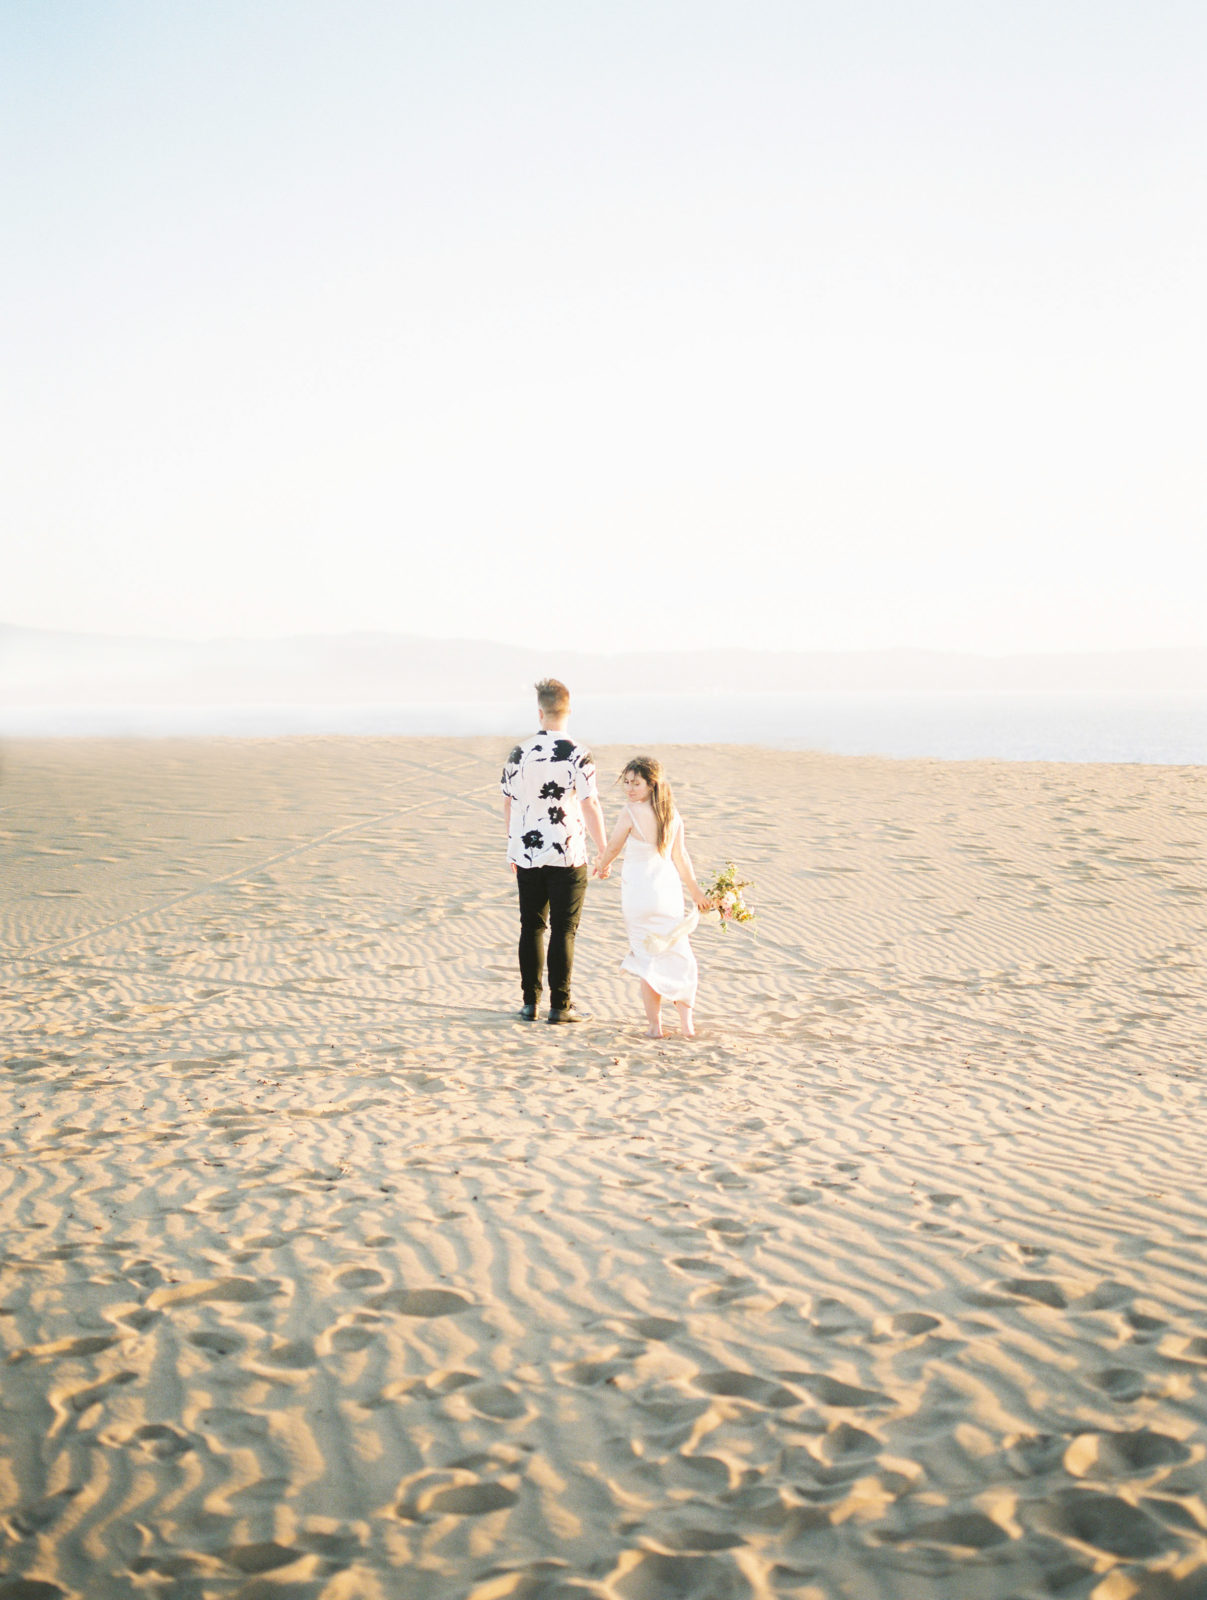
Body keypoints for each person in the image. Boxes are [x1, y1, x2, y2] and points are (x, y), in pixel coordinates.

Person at [501, 679, 607, 1023]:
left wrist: (513, 846)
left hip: (528, 851)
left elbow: (509, 802)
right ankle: (560, 1006)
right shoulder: (578, 753)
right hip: (567, 850)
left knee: (531, 927)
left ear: (540, 711)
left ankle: (530, 1003)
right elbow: (590, 804)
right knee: (564, 929)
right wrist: (604, 849)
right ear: (569, 709)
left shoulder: (519, 752)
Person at [593, 756, 713, 1038]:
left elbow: (612, 848)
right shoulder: (672, 813)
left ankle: (655, 1027)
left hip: (639, 895)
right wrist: (694, 891)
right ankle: (686, 1025)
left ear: (651, 784)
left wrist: (601, 865)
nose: (630, 789)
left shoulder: (631, 812)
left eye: (636, 783)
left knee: (647, 959)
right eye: (627, 782)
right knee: (678, 952)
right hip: (668, 893)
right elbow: (681, 857)